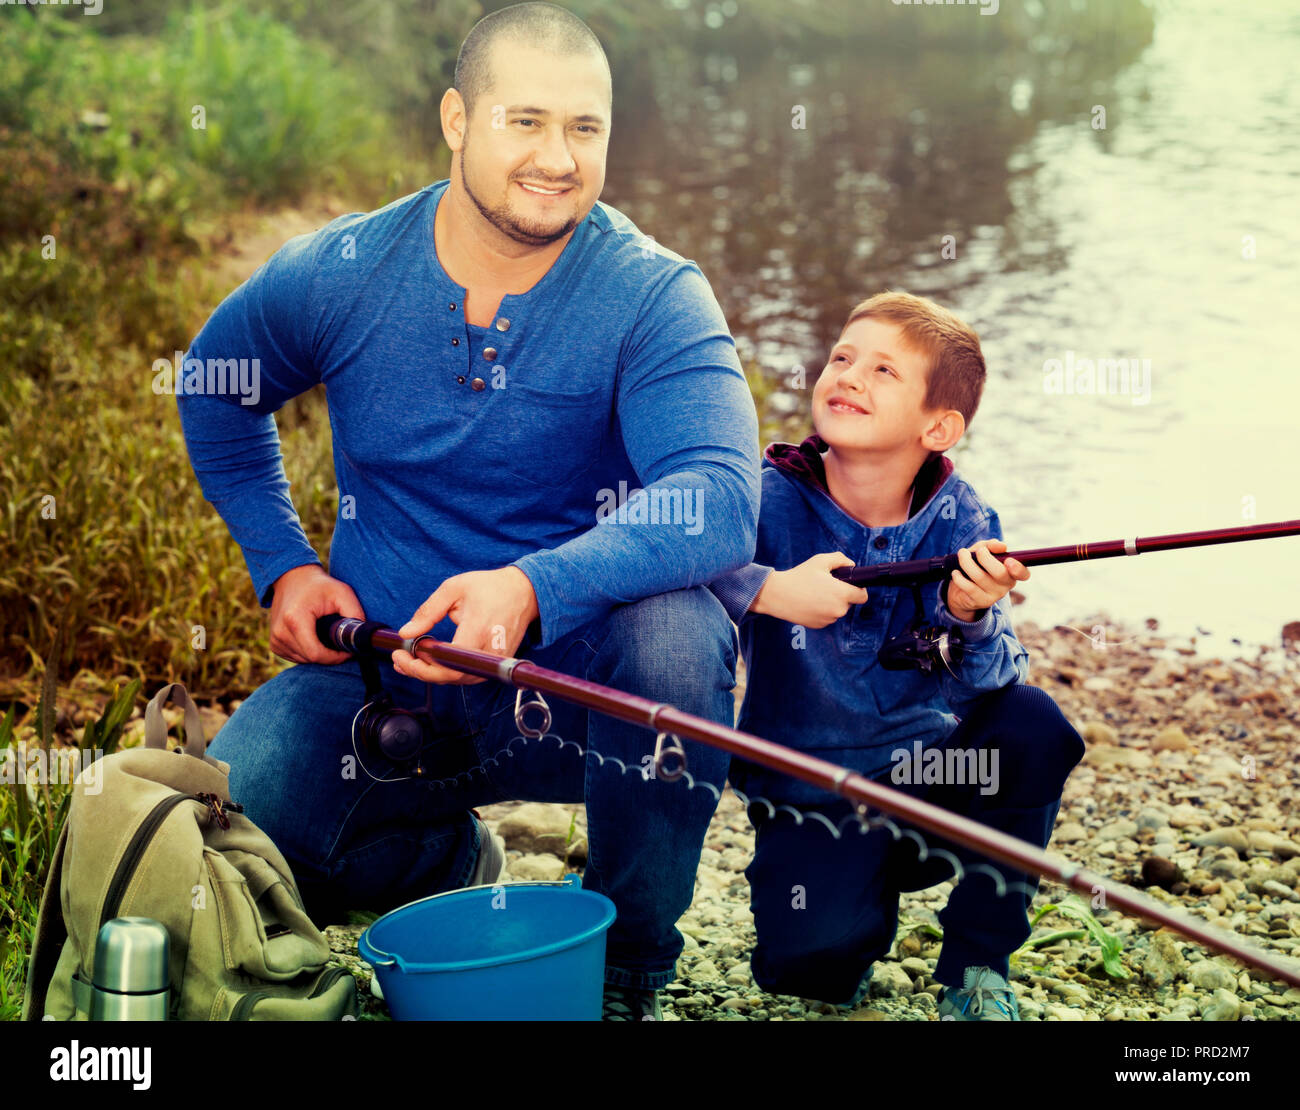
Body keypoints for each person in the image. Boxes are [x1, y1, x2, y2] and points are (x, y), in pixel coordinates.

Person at [176, 2, 759, 1021]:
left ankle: (627, 970)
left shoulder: (655, 294)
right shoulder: (341, 272)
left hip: (587, 701)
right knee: (240, 834)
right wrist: (283, 562)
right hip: (389, 687)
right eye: (523, 121)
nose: (558, 158)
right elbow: (214, 384)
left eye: (586, 128)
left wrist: (536, 586)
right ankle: (445, 850)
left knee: (678, 634)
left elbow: (717, 493)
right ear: (456, 119)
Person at [708, 291, 1085, 1020]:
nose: (848, 375)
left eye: (884, 371)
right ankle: (852, 910)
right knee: (806, 970)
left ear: (938, 427)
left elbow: (999, 675)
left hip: (929, 777)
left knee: (1032, 723)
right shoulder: (764, 500)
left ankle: (978, 963)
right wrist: (767, 590)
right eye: (842, 358)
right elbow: (678, 569)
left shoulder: (963, 515)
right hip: (814, 793)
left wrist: (968, 613)